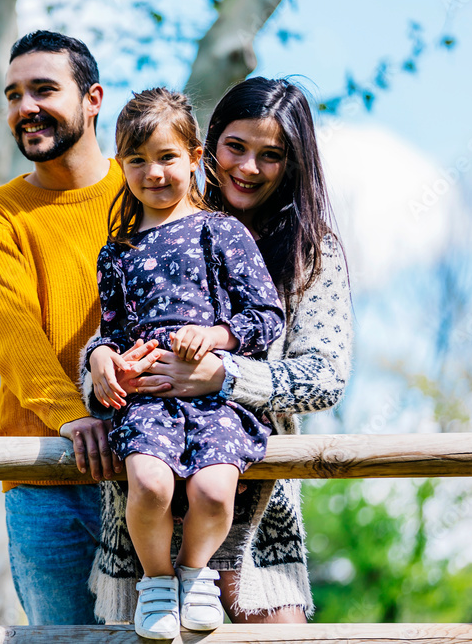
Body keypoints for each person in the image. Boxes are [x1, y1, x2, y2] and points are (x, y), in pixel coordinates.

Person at [84, 76, 353, 625]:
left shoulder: (310, 250)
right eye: (237, 147)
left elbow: (325, 375)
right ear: (208, 145)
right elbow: (109, 334)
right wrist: (100, 370)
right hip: (144, 493)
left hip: (252, 507)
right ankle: (165, 576)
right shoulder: (139, 236)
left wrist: (222, 375)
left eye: (271, 155)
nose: (248, 167)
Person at [0, 30, 167, 625]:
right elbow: (12, 333)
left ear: (93, 99)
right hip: (44, 467)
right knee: (62, 641)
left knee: (160, 635)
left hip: (151, 463)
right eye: (13, 95)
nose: (25, 108)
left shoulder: (152, 192)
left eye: (44, 90)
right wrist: (72, 416)